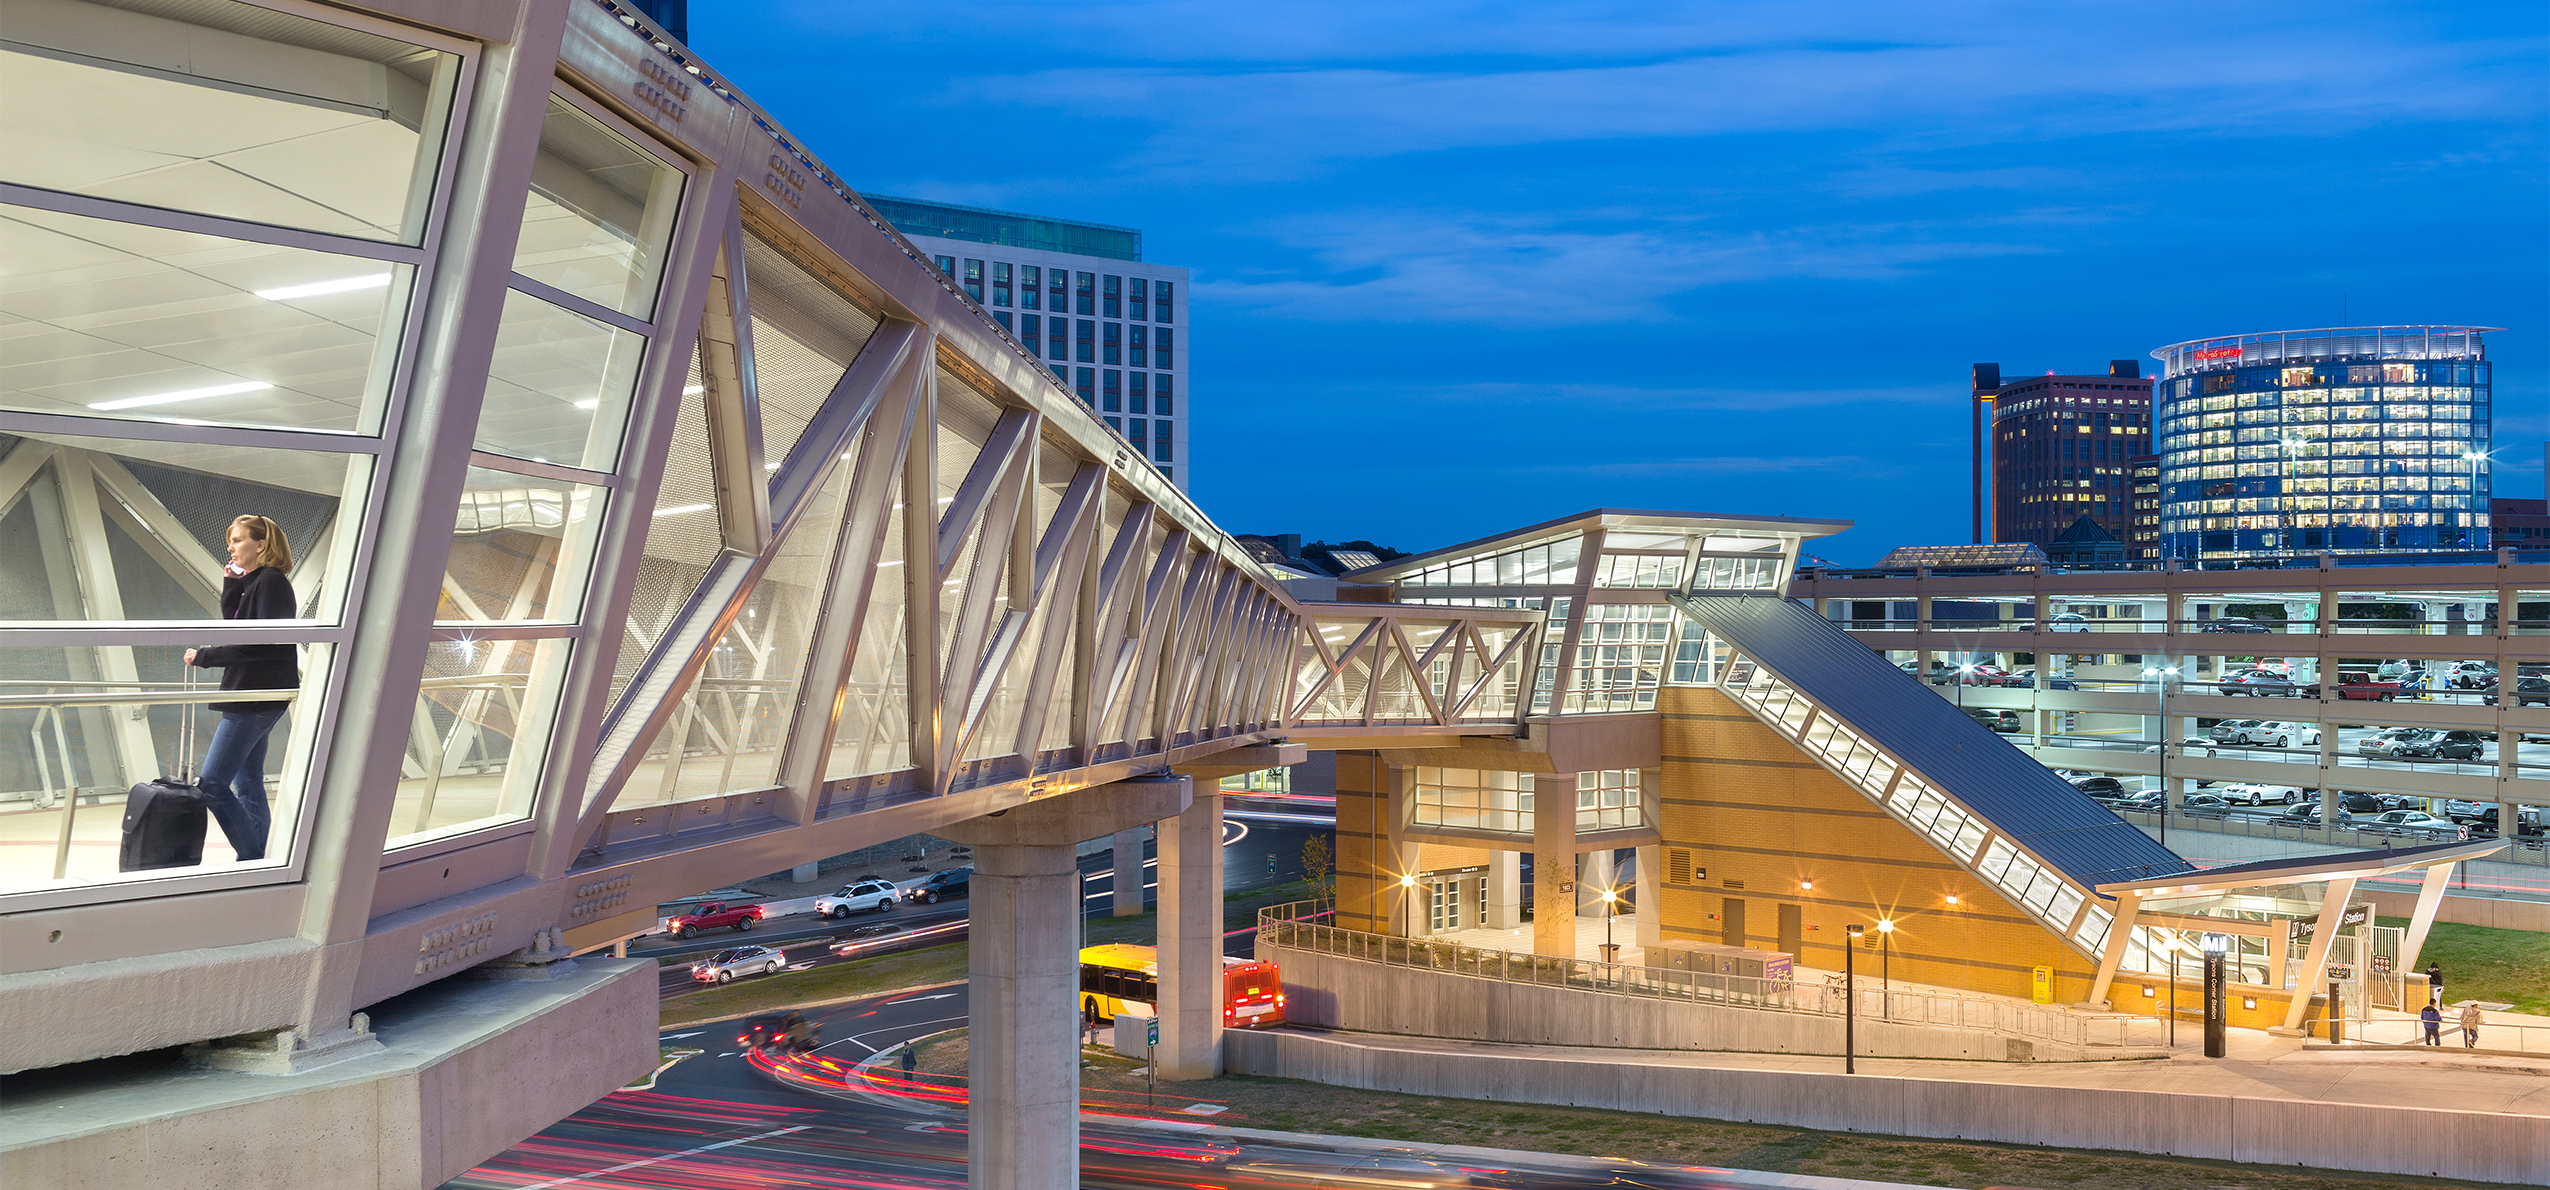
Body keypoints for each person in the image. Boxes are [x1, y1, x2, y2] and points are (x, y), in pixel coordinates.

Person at [183, 515, 299, 862]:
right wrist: (231, 583)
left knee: (212, 785)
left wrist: (203, 656)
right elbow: (236, 627)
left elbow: (260, 645)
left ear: (260, 544)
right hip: (252, 694)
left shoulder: (271, 582)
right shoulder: (256, 582)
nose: (230, 547)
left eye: (237, 540)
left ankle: (253, 858)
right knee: (247, 783)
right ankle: (260, 858)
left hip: (255, 697)